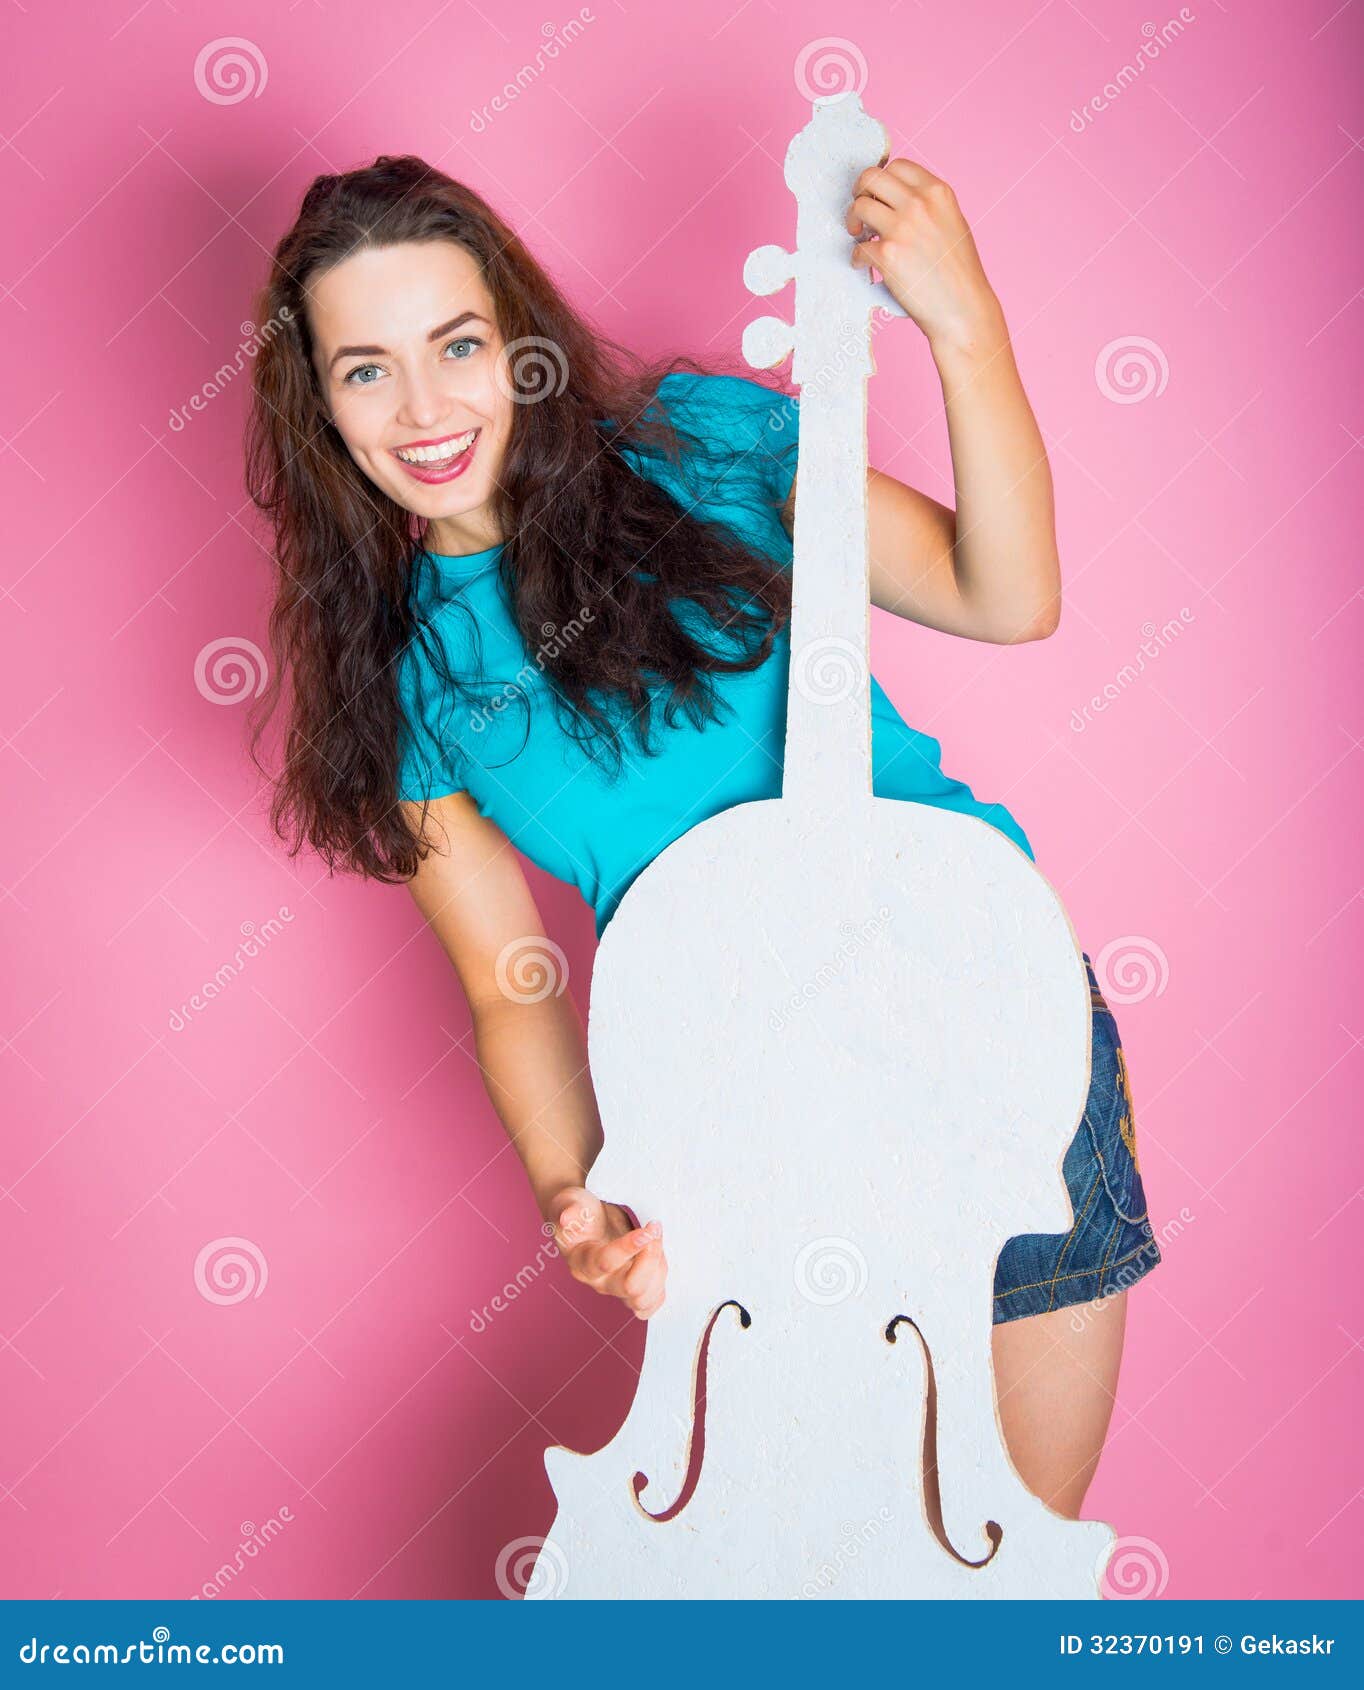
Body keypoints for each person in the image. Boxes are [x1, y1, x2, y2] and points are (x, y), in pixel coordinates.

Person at [244, 154, 1162, 1525]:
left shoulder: (703, 449)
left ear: (520, 341)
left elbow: (1005, 592)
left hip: (987, 1026)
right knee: (816, 1561)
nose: (424, 407)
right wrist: (579, 1194)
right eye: (366, 368)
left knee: (1000, 1559)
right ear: (316, 398)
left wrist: (963, 319)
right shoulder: (402, 682)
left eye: (456, 345)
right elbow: (510, 980)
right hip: (740, 1114)